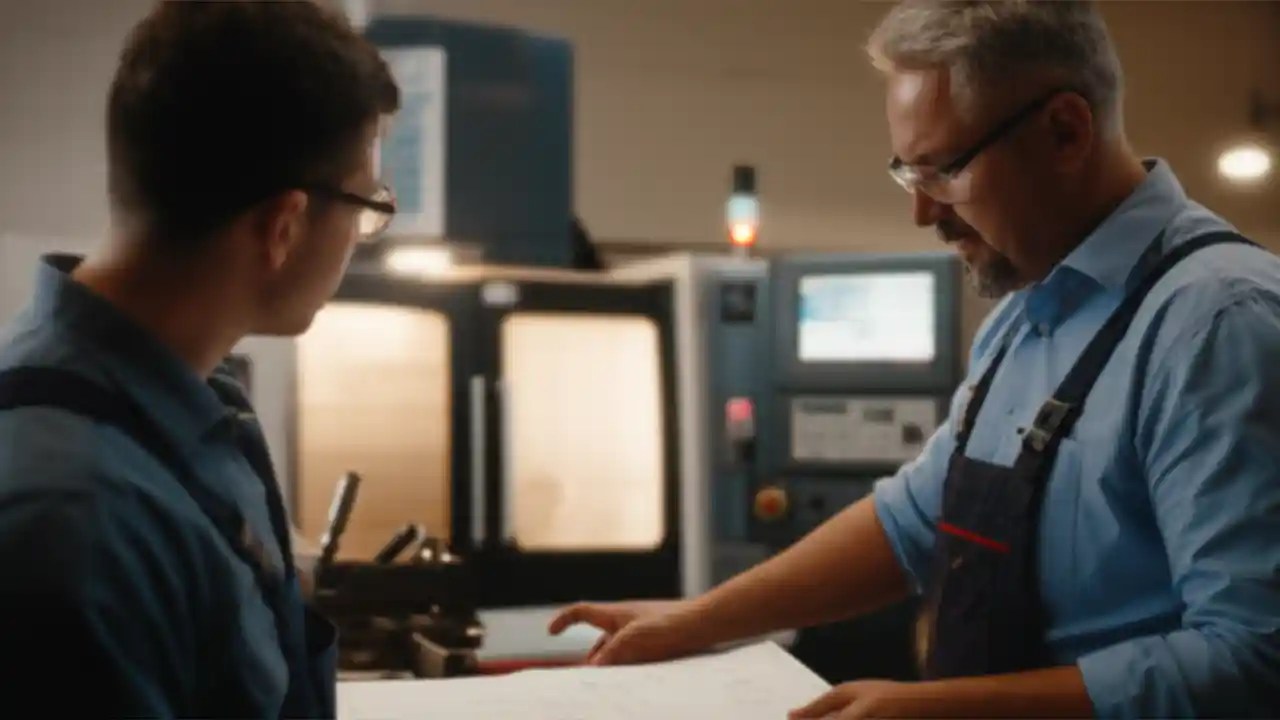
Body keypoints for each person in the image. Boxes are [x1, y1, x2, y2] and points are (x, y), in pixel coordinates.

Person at [549, 2, 1280, 718]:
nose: (923, 214)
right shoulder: (1025, 316)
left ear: (1065, 130)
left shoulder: (1218, 325)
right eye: (909, 174)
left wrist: (942, 710)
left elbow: (1252, 659)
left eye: (945, 171)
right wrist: (695, 621)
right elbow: (914, 521)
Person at [0, 3, 398, 717]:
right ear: (284, 227)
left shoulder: (197, 413)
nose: (362, 235)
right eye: (368, 205)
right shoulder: (73, 520)